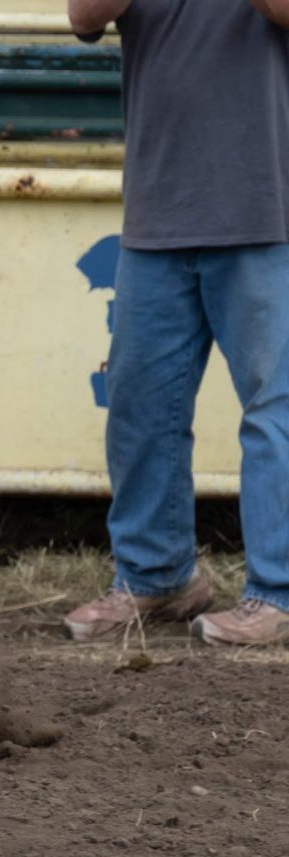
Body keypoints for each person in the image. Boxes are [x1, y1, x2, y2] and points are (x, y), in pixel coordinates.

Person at [63, 0, 289, 646]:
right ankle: (157, 575)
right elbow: (84, 13)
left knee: (275, 409)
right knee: (140, 405)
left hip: (267, 214)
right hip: (158, 217)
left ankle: (277, 593)